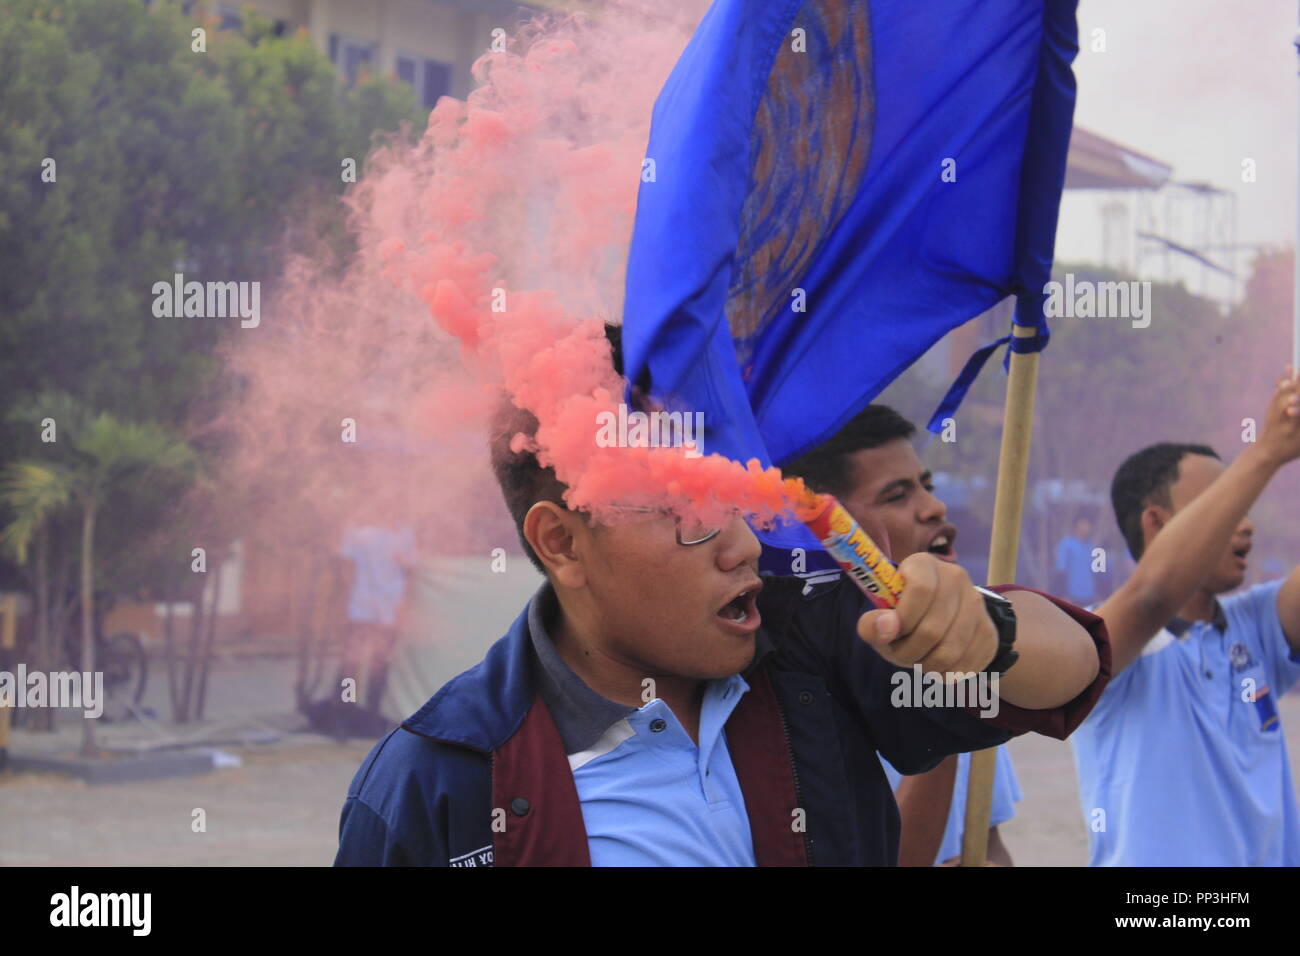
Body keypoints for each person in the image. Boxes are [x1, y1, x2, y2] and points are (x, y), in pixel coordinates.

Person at [334, 335, 1109, 867]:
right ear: (562, 544)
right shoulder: (437, 782)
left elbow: (1077, 666)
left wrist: (987, 628)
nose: (741, 546)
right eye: (688, 515)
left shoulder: (815, 644)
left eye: (733, 499)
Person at [1070, 369, 1300, 865]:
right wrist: (1265, 453)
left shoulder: (1254, 624)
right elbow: (1151, 596)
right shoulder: (1103, 641)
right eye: (1219, 506)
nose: (1245, 523)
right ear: (1156, 522)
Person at [783, 404, 1020, 866]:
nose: (934, 507)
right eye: (897, 495)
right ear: (825, 532)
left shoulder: (974, 672)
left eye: (926, 487)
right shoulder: (799, 687)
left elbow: (991, 844)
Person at [1055, 515, 1098, 607]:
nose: (1084, 530)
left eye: (1087, 528)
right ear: (1076, 527)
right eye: (1081, 527)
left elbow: (1096, 572)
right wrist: (1063, 595)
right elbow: (1061, 571)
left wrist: (1097, 593)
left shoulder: (1091, 546)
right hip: (1072, 596)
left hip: (1089, 596)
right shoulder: (1066, 544)